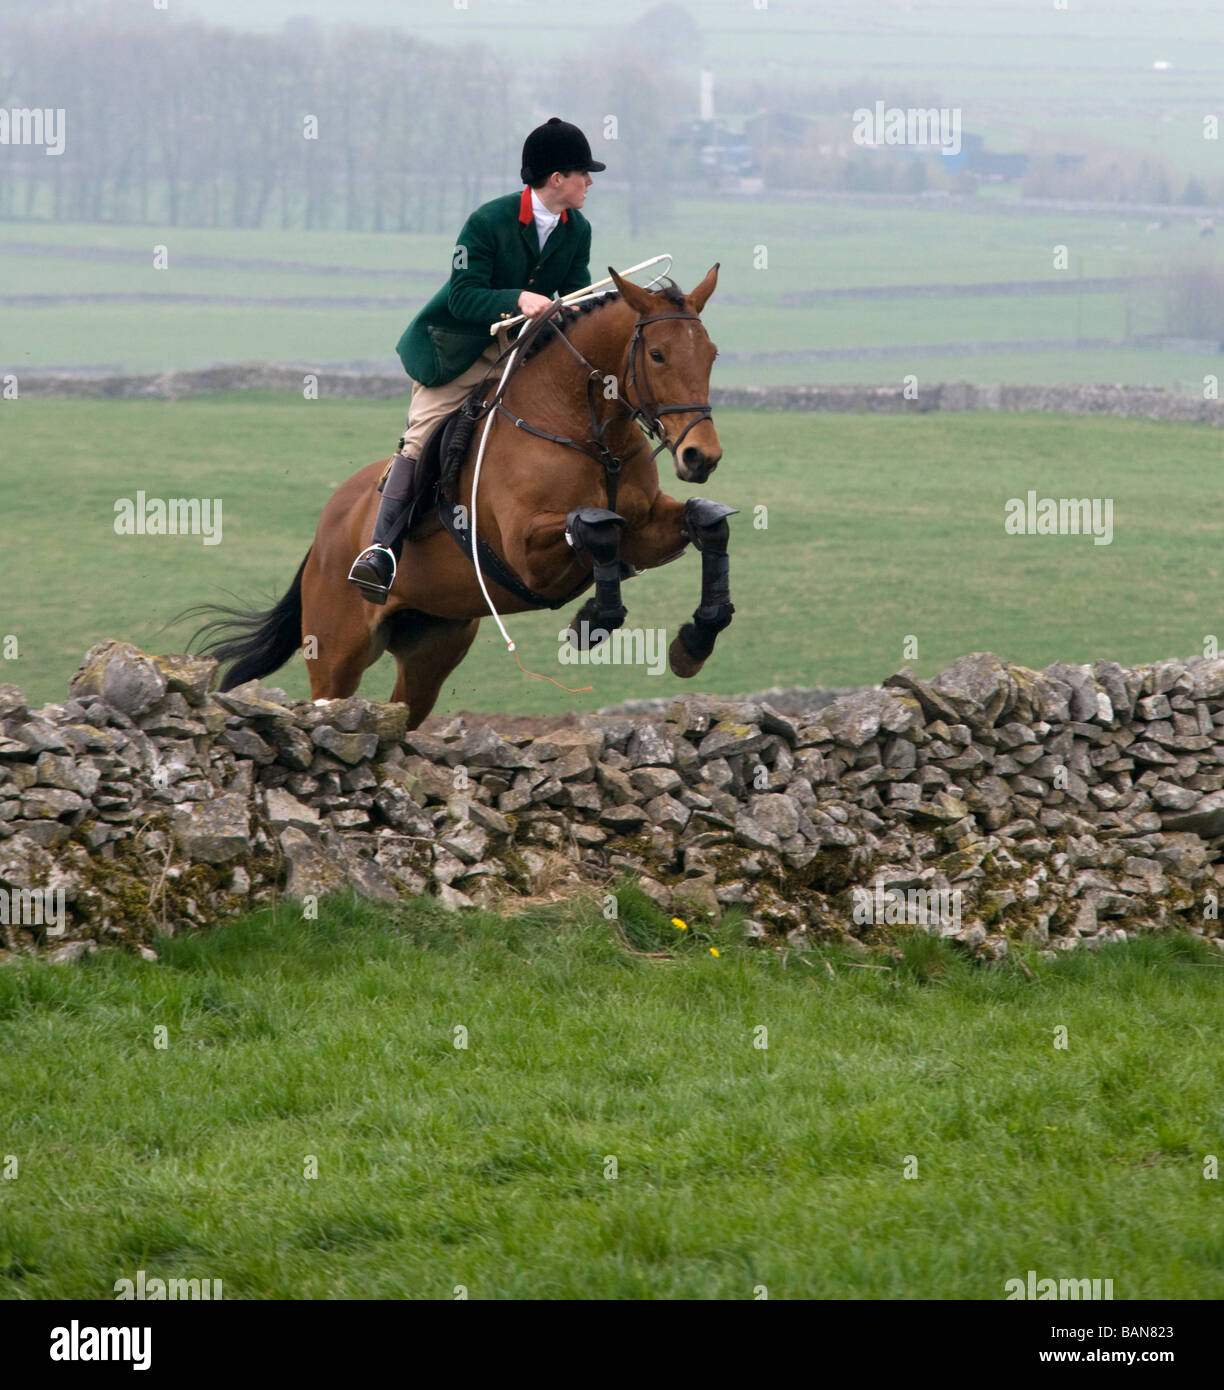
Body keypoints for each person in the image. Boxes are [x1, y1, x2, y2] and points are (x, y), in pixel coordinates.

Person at [348, 116, 606, 603]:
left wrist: (595, 309)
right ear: (557, 179)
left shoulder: (577, 229)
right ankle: (381, 552)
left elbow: (574, 295)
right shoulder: (488, 221)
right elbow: (464, 297)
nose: (589, 182)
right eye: (583, 174)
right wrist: (521, 298)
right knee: (421, 438)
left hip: (519, 349)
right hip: (456, 352)